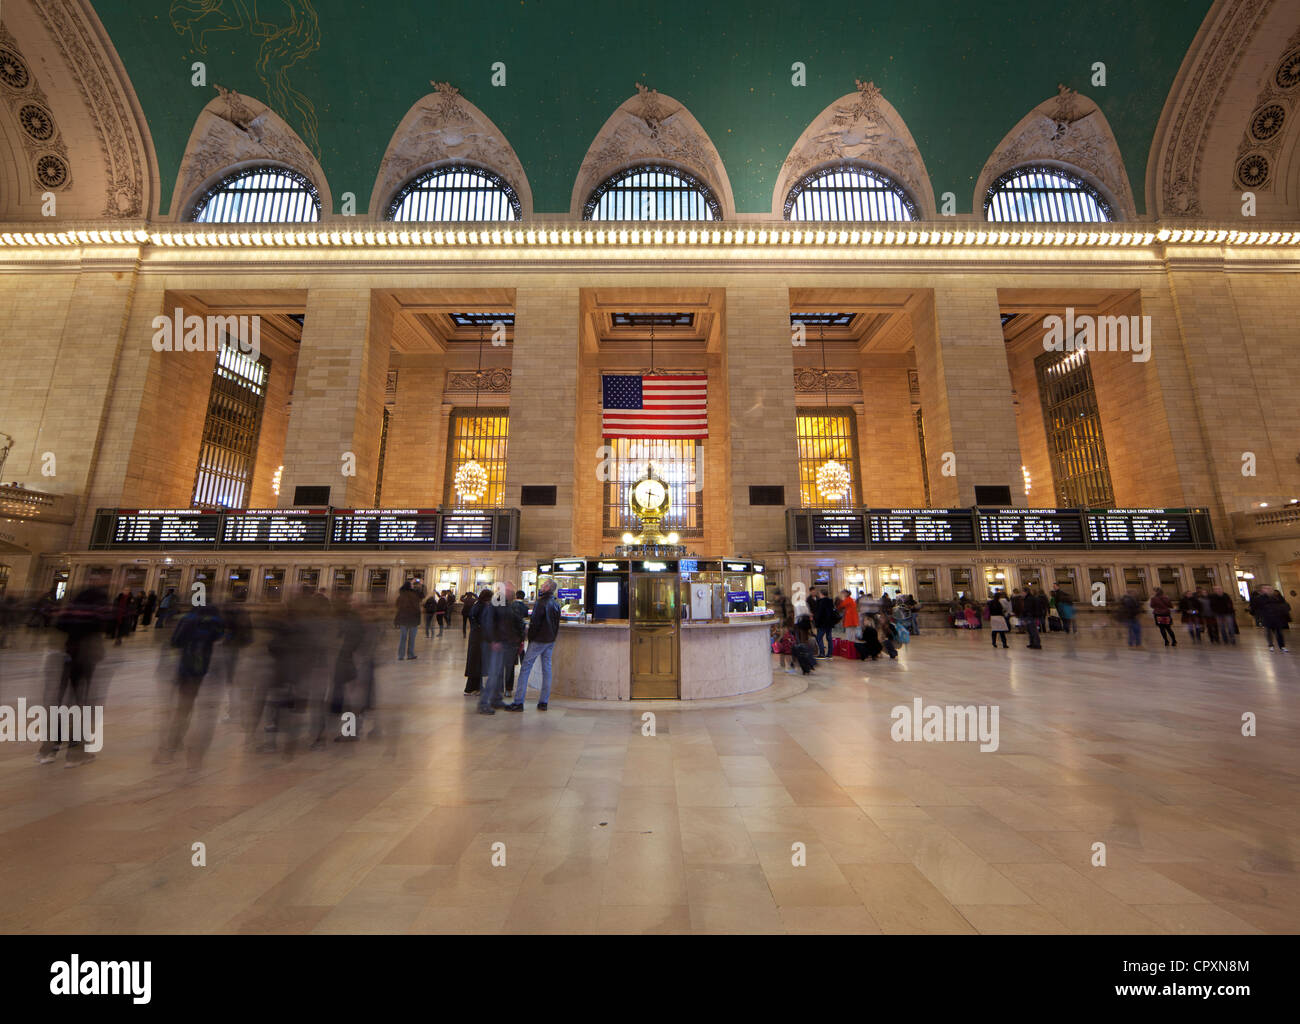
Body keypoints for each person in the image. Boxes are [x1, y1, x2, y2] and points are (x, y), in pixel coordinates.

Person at [36, 575, 112, 766]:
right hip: (86, 656)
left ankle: (49, 749)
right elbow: (106, 624)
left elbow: (60, 624)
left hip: (68, 654)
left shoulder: (73, 604)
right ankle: (76, 752)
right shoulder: (100, 603)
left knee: (60, 701)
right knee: (81, 703)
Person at [157, 601, 226, 769]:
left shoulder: (188, 619)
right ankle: (196, 754)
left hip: (186, 667)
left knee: (184, 707)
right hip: (205, 667)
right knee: (205, 713)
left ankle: (173, 745)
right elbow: (221, 637)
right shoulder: (215, 620)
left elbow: (175, 641)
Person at [509, 578, 561, 711]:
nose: (541, 587)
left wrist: (529, 638)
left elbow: (535, 622)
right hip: (550, 640)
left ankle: (519, 702)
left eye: (543, 585)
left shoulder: (541, 602)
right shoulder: (556, 604)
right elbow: (556, 624)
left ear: (548, 588)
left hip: (538, 640)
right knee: (547, 670)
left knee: (525, 668)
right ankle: (544, 702)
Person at [464, 589, 492, 694]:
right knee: (478, 662)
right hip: (480, 637)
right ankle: (473, 688)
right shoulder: (484, 607)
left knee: (474, 662)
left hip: (475, 636)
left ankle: (474, 687)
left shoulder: (476, 605)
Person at [1250, 584, 1291, 652]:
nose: (1268, 589)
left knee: (1279, 632)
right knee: (1268, 632)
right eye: (1265, 588)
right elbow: (1254, 608)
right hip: (1266, 617)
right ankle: (1271, 645)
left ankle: (1282, 646)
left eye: (1269, 588)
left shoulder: (1276, 597)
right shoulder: (1259, 598)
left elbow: (1285, 605)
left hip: (1277, 617)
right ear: (1262, 590)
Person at [394, 581, 421, 660]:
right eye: (412, 585)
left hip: (403, 619)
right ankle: (410, 654)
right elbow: (421, 598)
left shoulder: (401, 596)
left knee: (403, 638)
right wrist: (421, 586)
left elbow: (397, 606)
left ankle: (401, 655)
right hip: (413, 619)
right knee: (411, 638)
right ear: (410, 587)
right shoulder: (414, 595)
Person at [812, 588, 838, 659]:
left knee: (819, 638)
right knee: (829, 638)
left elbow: (819, 613)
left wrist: (815, 619)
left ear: (821, 594)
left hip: (822, 623)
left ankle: (822, 653)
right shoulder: (830, 601)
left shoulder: (821, 602)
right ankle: (829, 654)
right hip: (829, 623)